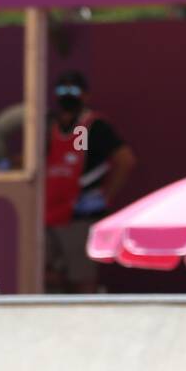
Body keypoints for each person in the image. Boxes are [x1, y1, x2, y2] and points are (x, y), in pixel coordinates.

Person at [44, 70, 137, 293]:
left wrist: (106, 196)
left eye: (73, 90)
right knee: (47, 276)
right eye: (62, 90)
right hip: (49, 216)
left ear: (86, 95)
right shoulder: (49, 125)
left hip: (81, 216)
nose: (67, 95)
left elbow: (126, 160)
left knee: (82, 279)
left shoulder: (95, 126)